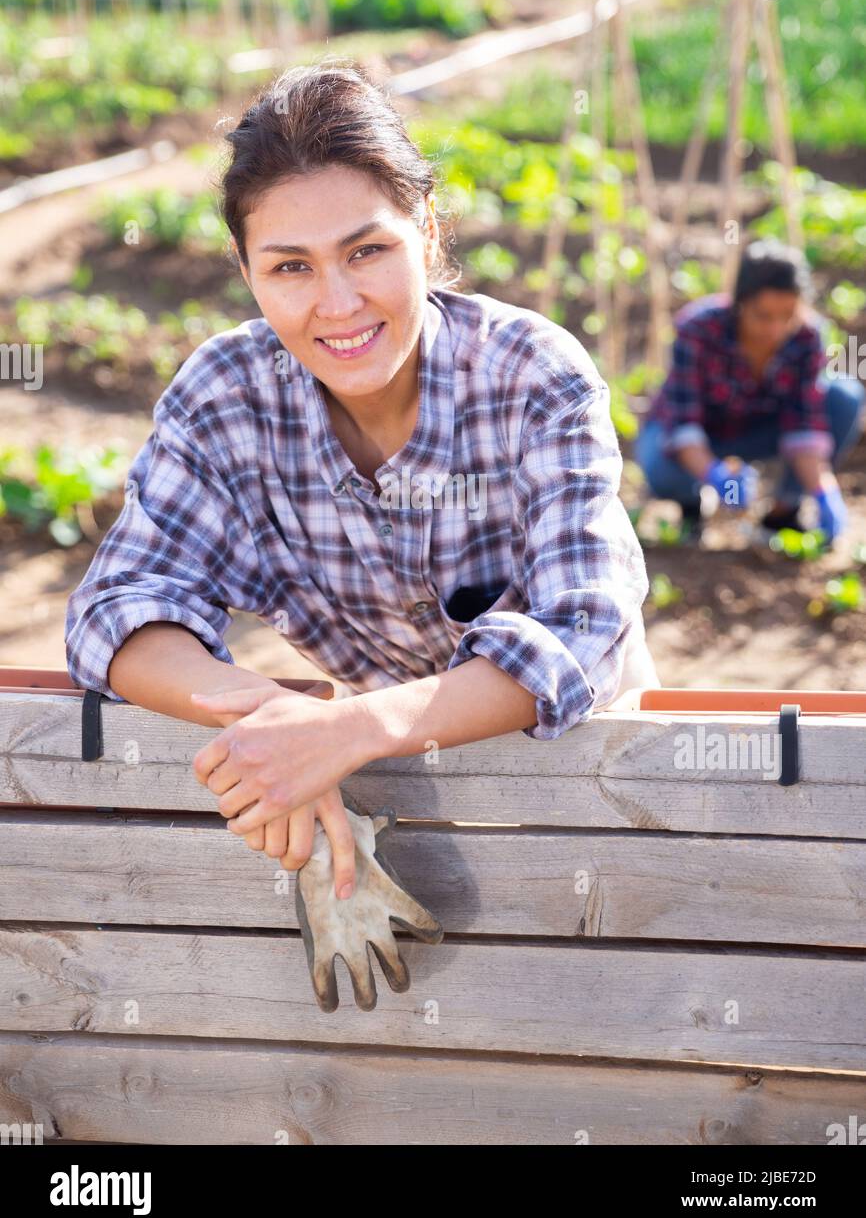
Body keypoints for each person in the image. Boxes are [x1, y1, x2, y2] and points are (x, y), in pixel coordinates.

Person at [66, 59, 656, 902]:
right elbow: (115, 608)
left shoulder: (532, 374)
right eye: (291, 268)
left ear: (428, 232)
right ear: (246, 271)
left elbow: (582, 633)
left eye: (367, 250)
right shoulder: (225, 396)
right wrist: (273, 721)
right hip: (390, 778)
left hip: (599, 765)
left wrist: (340, 728)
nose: (338, 304)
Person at [636, 240, 864, 542]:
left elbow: (805, 424)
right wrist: (719, 477)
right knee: (660, 467)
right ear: (740, 303)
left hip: (760, 432)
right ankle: (691, 505)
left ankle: (783, 513)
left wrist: (825, 493)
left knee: (843, 397)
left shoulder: (807, 336)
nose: (776, 329)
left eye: (787, 316)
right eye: (763, 316)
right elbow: (683, 423)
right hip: (702, 437)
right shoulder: (699, 329)